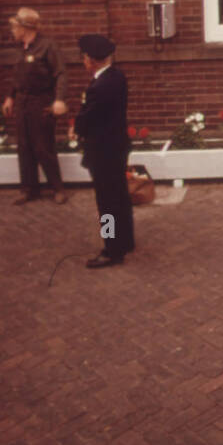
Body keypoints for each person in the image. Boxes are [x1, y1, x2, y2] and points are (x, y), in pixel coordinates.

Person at [73, 34, 135, 270]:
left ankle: (111, 249)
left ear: (90, 60)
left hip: (102, 152)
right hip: (117, 148)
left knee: (107, 204)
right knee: (119, 197)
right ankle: (125, 241)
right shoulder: (117, 77)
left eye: (84, 57)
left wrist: (77, 128)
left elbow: (88, 118)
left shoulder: (99, 86)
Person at [2, 7, 69, 205]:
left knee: (43, 146)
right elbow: (17, 78)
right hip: (22, 102)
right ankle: (29, 190)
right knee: (24, 146)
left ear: (25, 27)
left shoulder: (47, 47)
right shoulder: (21, 49)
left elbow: (61, 74)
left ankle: (57, 188)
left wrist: (59, 99)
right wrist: (10, 97)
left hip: (41, 102)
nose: (12, 31)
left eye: (15, 27)